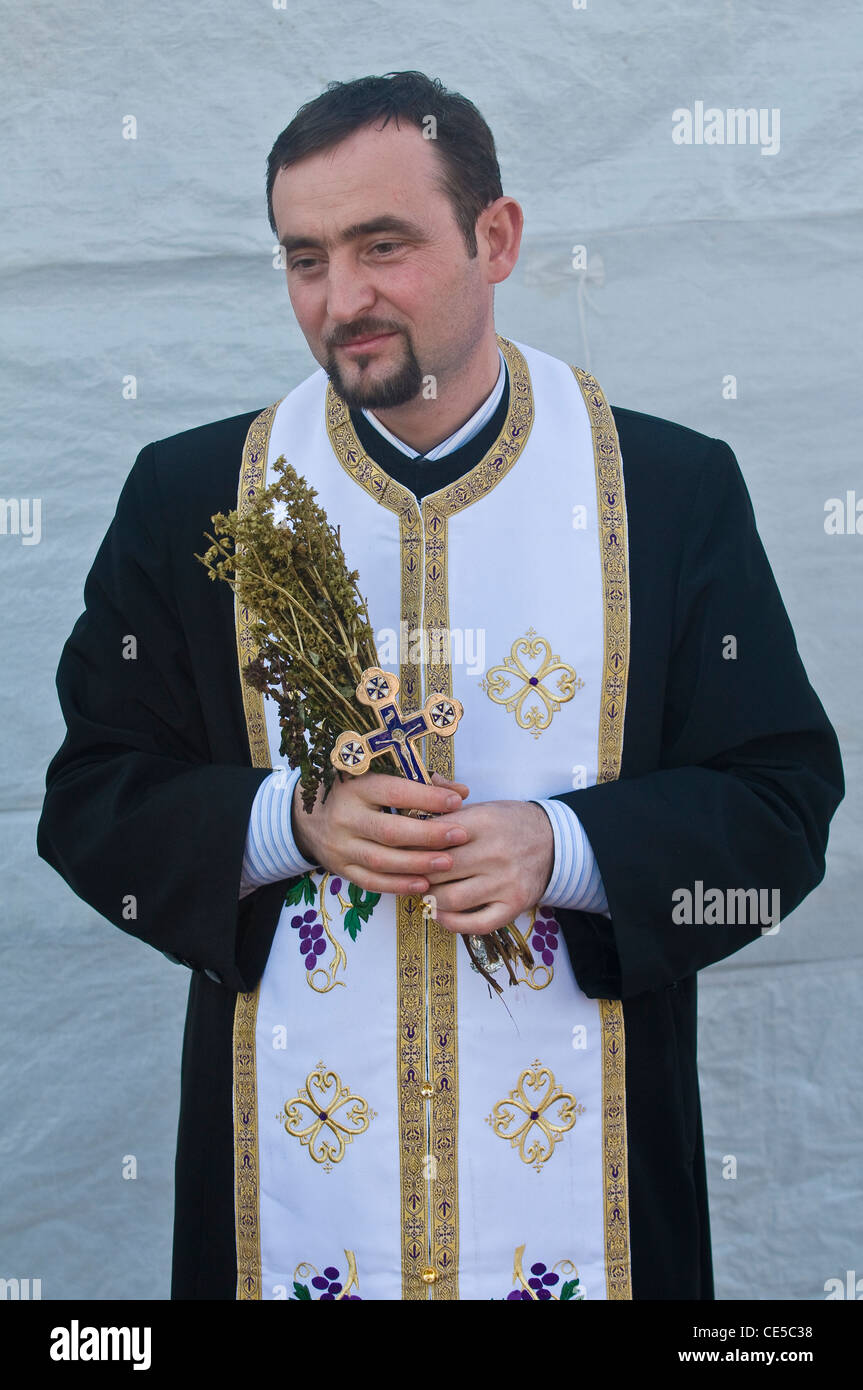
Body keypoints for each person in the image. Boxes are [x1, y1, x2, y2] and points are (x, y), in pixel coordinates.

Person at [37, 71, 843, 1302]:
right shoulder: (195, 495)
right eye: (304, 258)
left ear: (496, 238)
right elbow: (92, 797)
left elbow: (780, 805)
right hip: (288, 1197)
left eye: (383, 246)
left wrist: (561, 850)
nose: (340, 299)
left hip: (599, 1197)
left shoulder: (669, 491)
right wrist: (288, 820)